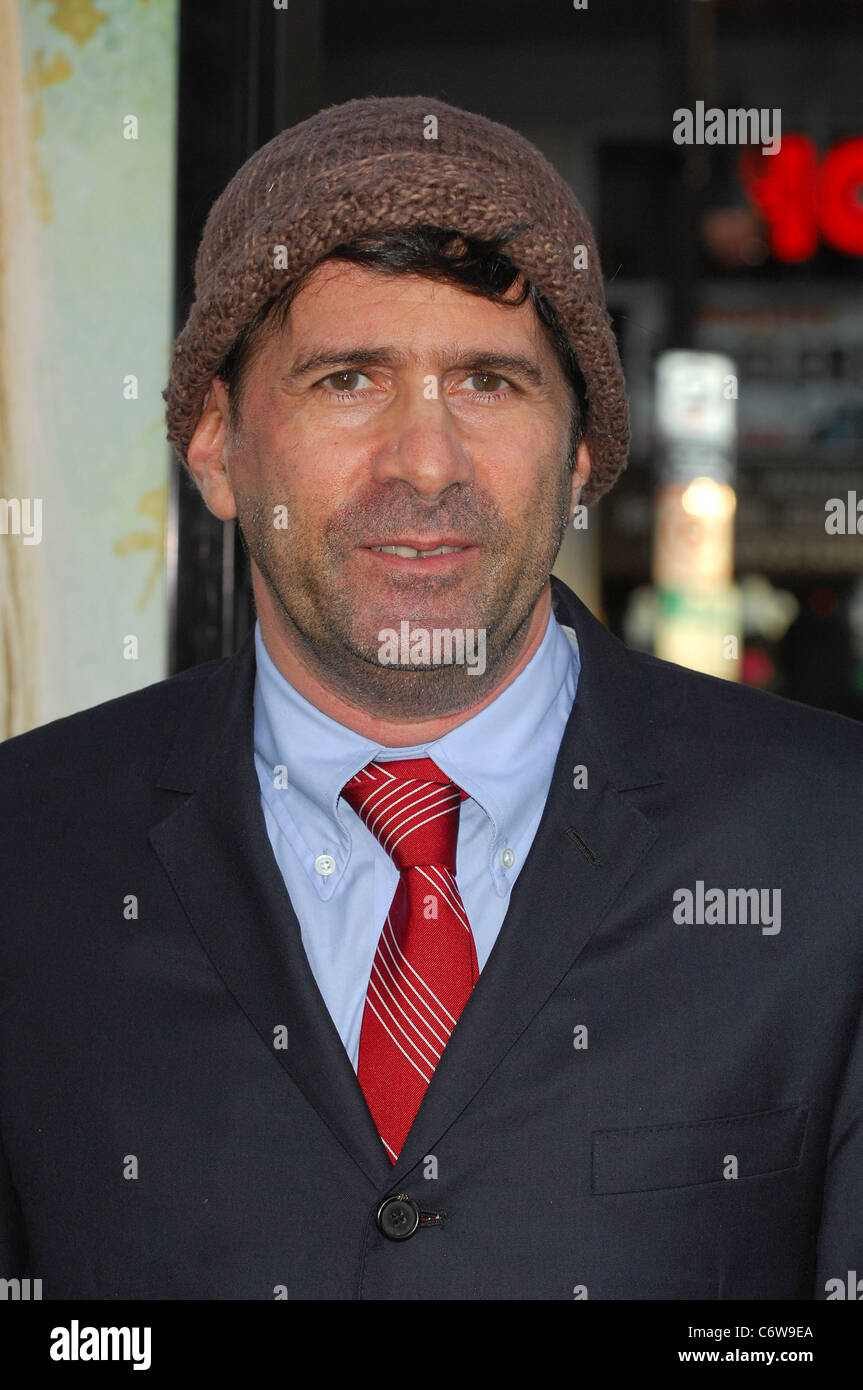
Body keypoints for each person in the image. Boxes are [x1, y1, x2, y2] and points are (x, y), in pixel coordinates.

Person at [1, 94, 861, 1302]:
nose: (425, 460)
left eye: (489, 384)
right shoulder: (29, 855)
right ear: (213, 444)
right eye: (347, 379)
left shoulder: (828, 848)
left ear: (577, 457)